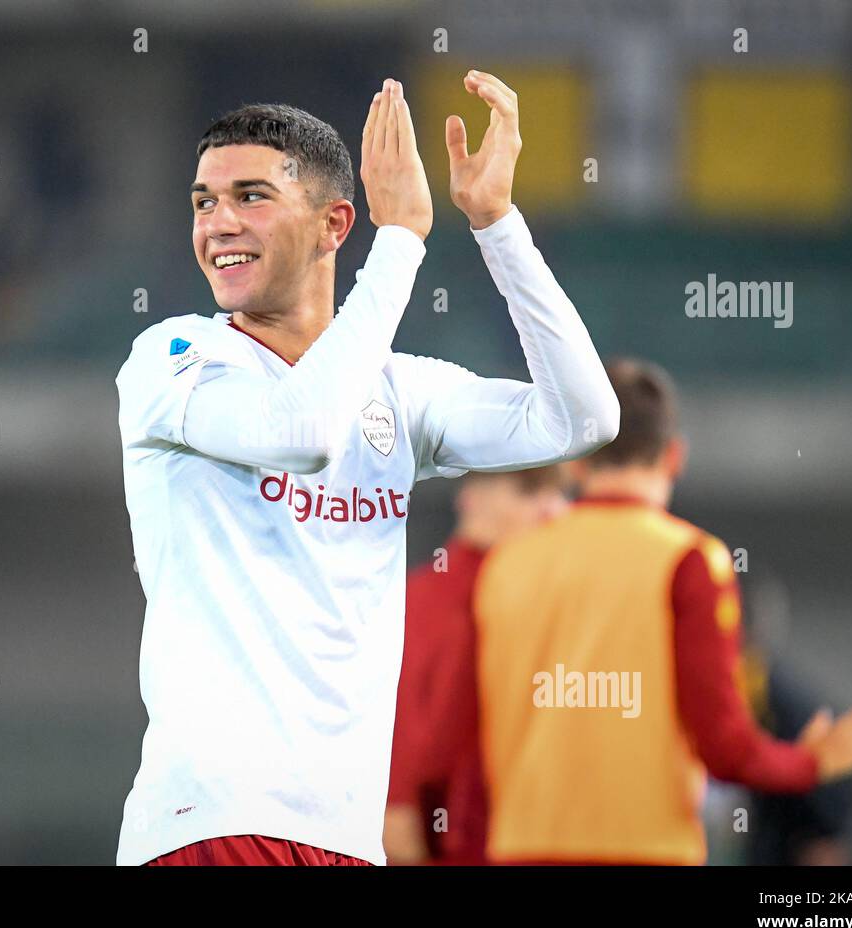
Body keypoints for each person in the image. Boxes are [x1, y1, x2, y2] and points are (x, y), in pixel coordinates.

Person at [114, 72, 618, 866]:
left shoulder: (398, 391)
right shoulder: (175, 359)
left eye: (250, 196)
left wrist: (495, 224)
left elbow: (583, 418)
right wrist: (403, 242)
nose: (218, 224)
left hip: (347, 841)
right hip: (211, 824)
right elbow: (303, 432)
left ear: (332, 224)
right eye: (203, 202)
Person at [473, 357, 852, 865]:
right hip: (646, 852)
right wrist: (811, 762)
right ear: (674, 457)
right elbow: (724, 745)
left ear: (575, 461)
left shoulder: (504, 563)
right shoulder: (692, 561)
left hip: (518, 851)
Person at [384, 467, 568, 866]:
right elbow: (404, 723)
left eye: (559, 494)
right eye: (529, 491)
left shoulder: (539, 597)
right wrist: (396, 811)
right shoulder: (432, 599)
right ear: (470, 497)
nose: (553, 509)